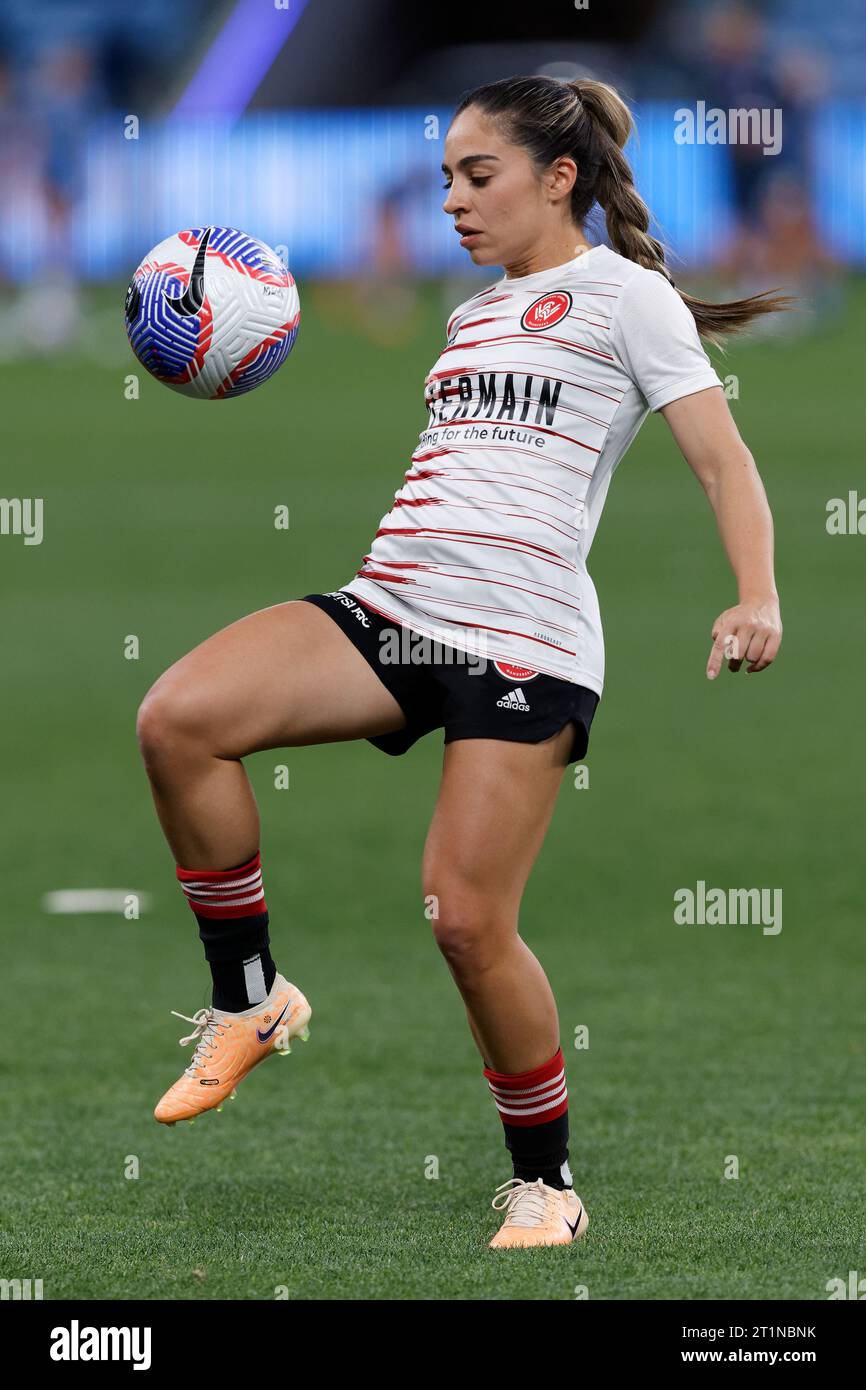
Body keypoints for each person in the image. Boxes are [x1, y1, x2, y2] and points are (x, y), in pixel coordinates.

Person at [137, 75, 785, 1250]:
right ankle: (250, 999)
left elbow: (723, 463)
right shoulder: (470, 311)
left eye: (474, 176)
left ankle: (546, 1184)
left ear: (557, 179)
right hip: (393, 606)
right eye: (443, 177)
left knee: (465, 920)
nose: (450, 199)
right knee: (179, 718)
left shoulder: (630, 301)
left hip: (522, 639)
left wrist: (754, 595)